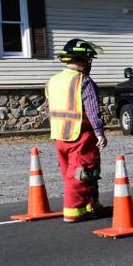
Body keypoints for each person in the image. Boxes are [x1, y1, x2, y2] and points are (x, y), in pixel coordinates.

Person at [46, 38, 107, 222]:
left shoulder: (53, 81)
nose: (89, 64)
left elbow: (48, 109)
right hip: (81, 135)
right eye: (88, 60)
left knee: (71, 173)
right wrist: (99, 133)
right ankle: (73, 211)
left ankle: (90, 204)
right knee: (82, 173)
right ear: (80, 60)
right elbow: (92, 110)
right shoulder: (84, 81)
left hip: (59, 136)